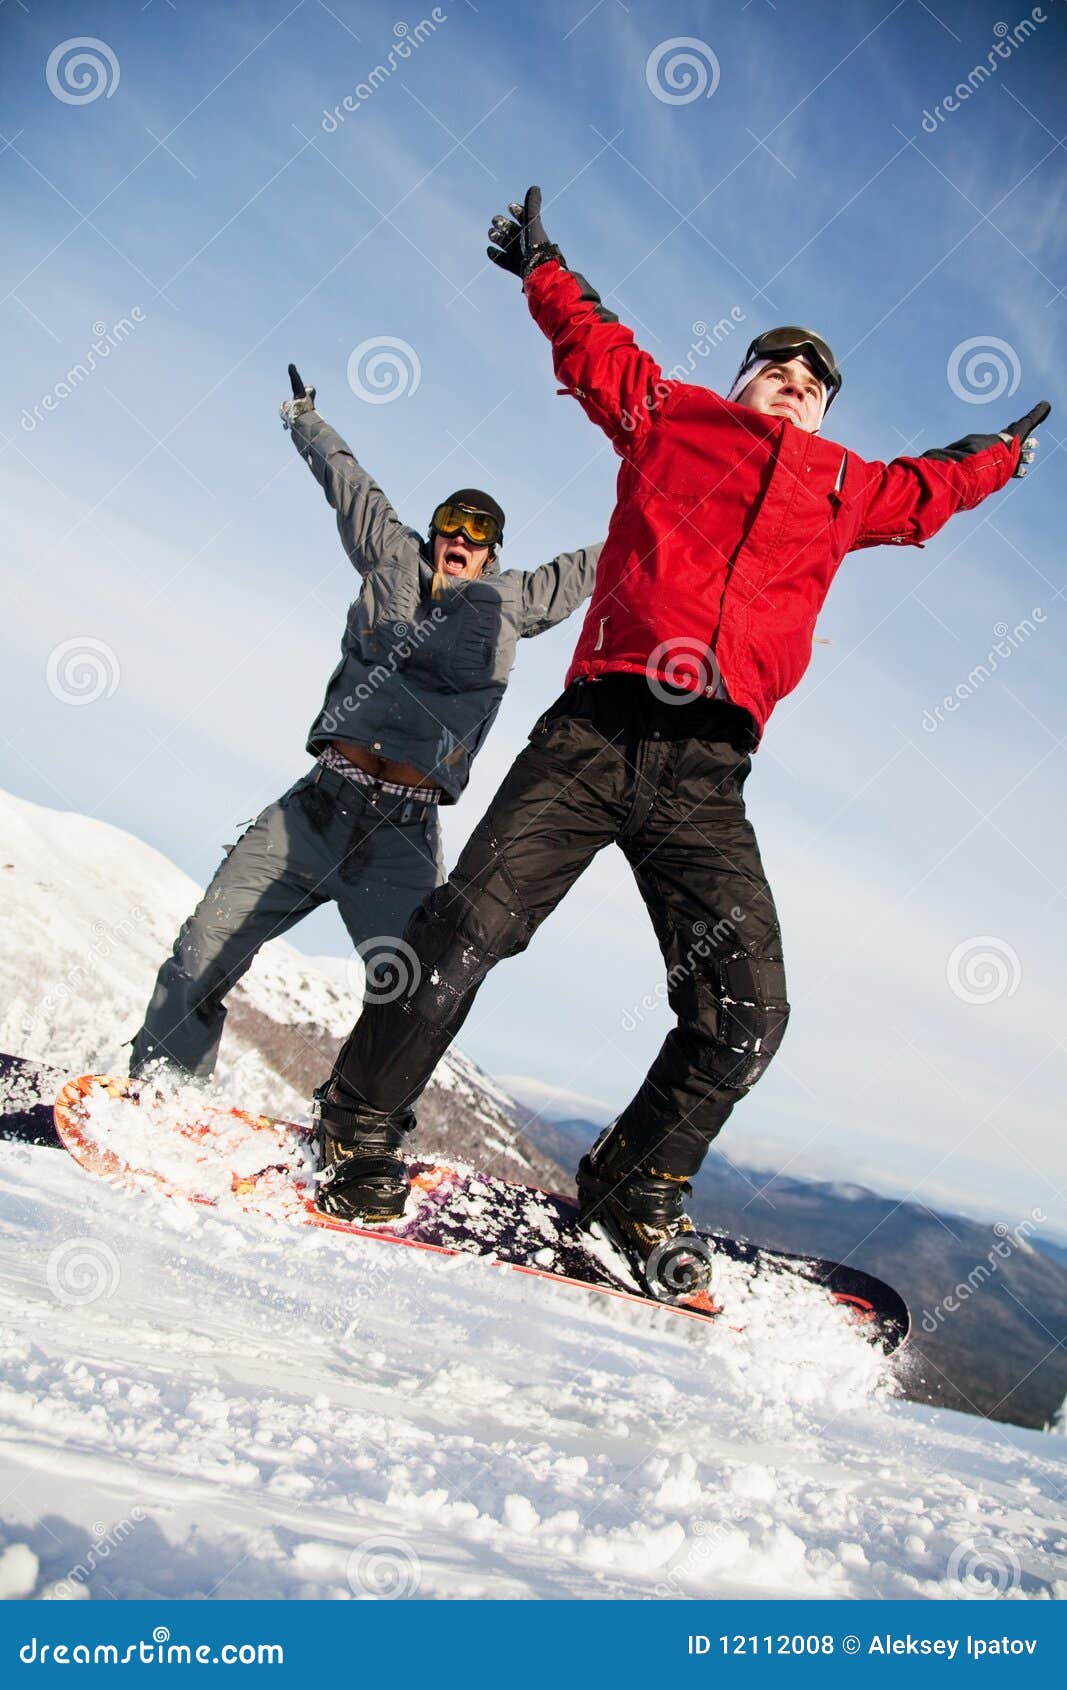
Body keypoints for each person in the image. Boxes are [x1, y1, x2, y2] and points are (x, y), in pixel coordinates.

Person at [311, 189, 1049, 1299]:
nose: (792, 384)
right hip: (595, 735)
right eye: (773, 369)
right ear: (742, 378)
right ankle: (356, 1126)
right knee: (461, 929)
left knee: (747, 1012)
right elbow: (594, 344)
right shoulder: (671, 415)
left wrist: (1002, 450)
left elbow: (937, 483)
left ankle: (634, 1179)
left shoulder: (848, 487)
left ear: (822, 410)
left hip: (706, 774)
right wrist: (542, 266)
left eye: (811, 383)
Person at [130, 363, 602, 1081]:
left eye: (478, 533)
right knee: (203, 948)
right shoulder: (390, 556)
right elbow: (347, 482)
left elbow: (608, 560)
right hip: (314, 811)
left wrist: (695, 513)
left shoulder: (512, 602)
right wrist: (303, 417)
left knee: (413, 998)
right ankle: (160, 1089)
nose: (461, 538)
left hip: (400, 840)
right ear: (435, 531)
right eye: (452, 523)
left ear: (490, 552)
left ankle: (355, 1134)